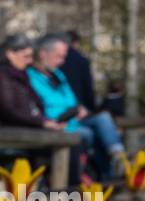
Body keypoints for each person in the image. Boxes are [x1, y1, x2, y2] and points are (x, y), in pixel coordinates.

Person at [27, 33, 125, 182]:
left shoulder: (58, 75)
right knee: (89, 135)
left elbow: (71, 100)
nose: (62, 61)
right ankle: (103, 178)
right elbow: (39, 108)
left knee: (103, 119)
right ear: (43, 54)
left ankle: (119, 158)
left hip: (73, 119)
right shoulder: (30, 77)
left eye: (63, 56)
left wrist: (79, 109)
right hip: (56, 124)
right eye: (58, 56)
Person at [0, 33, 63, 130]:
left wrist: (46, 121)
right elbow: (9, 111)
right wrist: (42, 123)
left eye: (31, 56)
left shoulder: (23, 75)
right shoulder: (3, 76)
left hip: (28, 129)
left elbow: (34, 107)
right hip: (12, 133)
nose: (30, 61)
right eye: (26, 56)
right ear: (10, 54)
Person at [62, 30, 96, 112]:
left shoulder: (57, 59)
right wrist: (92, 106)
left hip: (62, 104)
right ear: (76, 42)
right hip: (80, 105)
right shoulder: (81, 60)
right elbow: (87, 86)